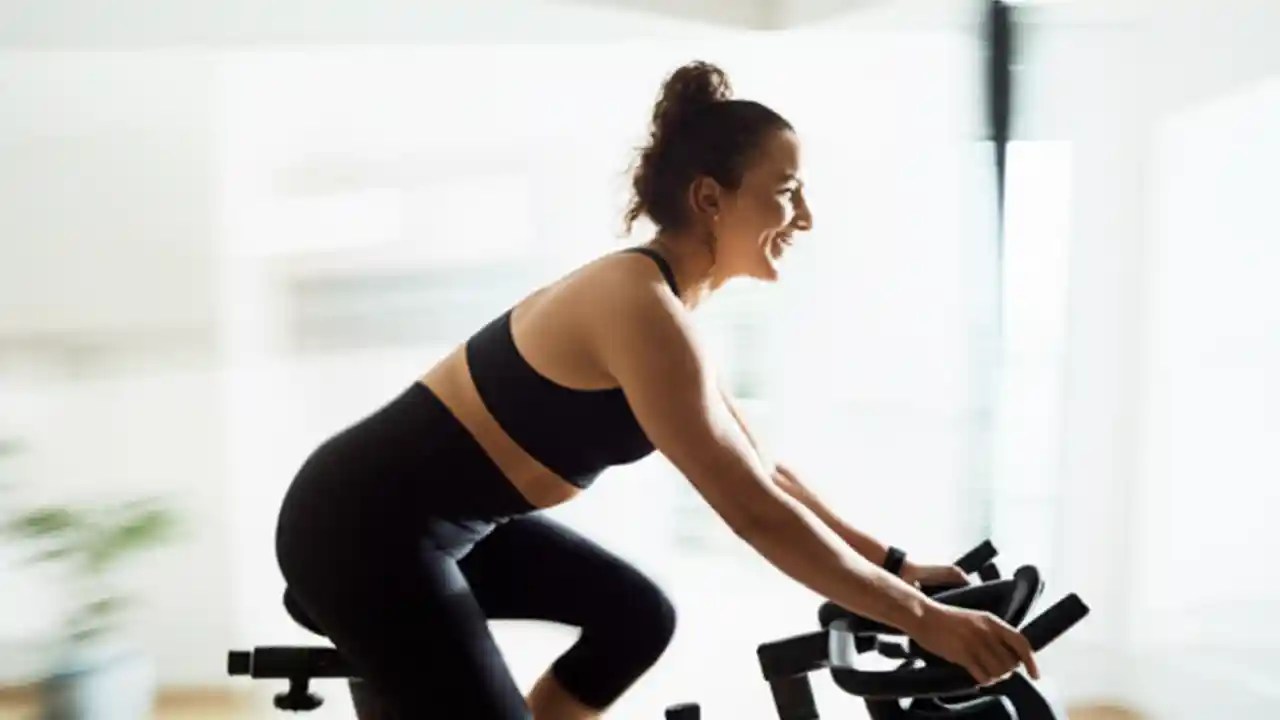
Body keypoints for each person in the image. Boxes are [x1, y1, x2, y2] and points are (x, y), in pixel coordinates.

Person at [274, 60, 1039, 720]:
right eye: (787, 191)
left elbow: (767, 475)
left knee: (636, 616)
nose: (804, 217)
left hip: (456, 527)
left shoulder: (667, 312)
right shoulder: (634, 305)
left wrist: (897, 567)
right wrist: (922, 619)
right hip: (361, 531)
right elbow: (752, 515)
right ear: (711, 199)